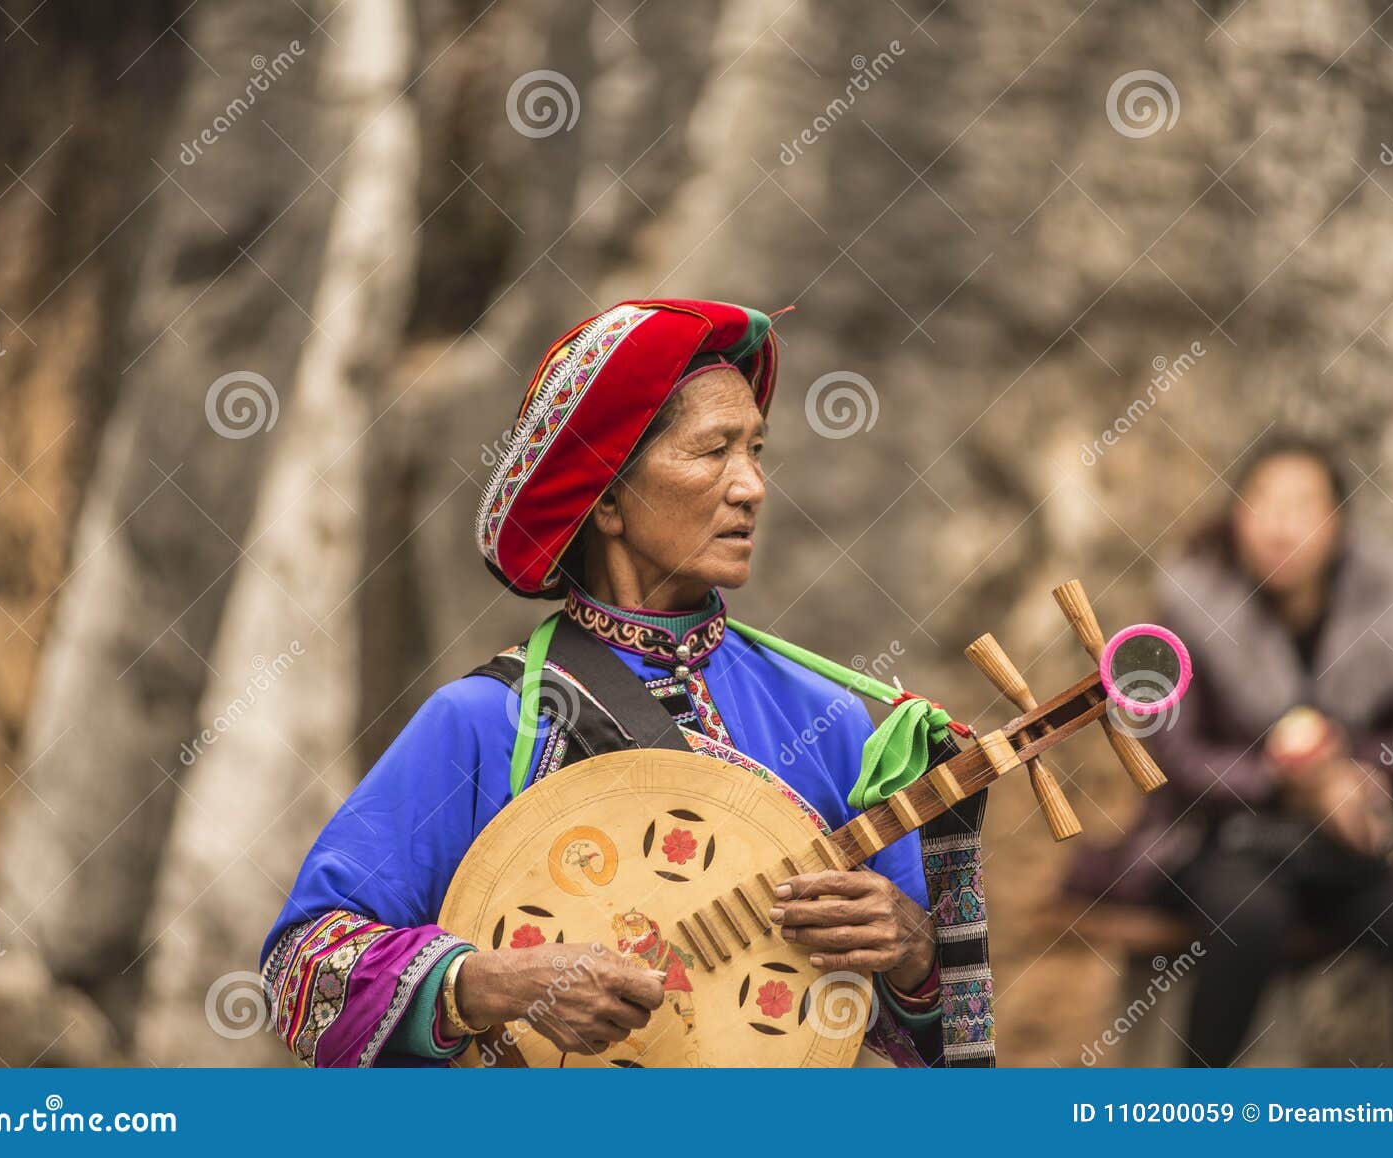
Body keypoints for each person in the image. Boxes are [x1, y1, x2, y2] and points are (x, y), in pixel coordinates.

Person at [260, 298, 993, 1067]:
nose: (751, 487)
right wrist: (487, 981)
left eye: (756, 452)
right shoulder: (488, 722)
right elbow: (303, 971)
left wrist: (913, 954)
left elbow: (957, 1046)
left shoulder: (831, 719)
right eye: (714, 453)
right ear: (606, 497)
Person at [1065, 435, 1393, 1066]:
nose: (1282, 528)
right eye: (1264, 504)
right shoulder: (1192, 611)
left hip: (1343, 844)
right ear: (1237, 517)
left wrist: (1354, 775)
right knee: (1249, 922)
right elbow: (1176, 756)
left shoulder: (1392, 611)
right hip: (1217, 841)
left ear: (1338, 524)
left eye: (1303, 506)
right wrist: (1289, 779)